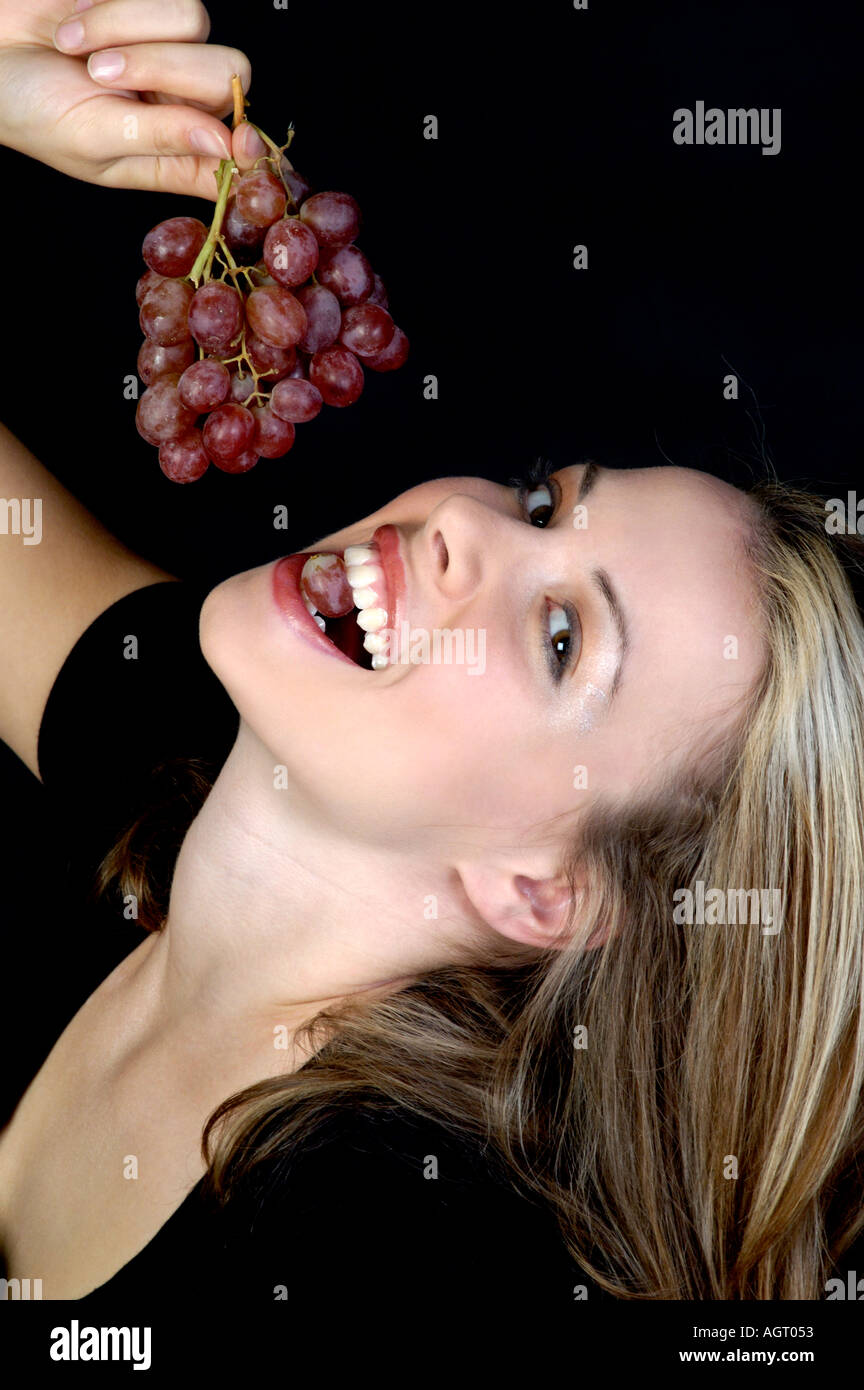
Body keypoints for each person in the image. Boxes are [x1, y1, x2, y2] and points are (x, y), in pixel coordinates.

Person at [2, 0, 864, 1310]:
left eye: (564, 635)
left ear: (542, 891)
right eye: (538, 503)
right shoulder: (198, 740)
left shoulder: (377, 1253)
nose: (460, 522)